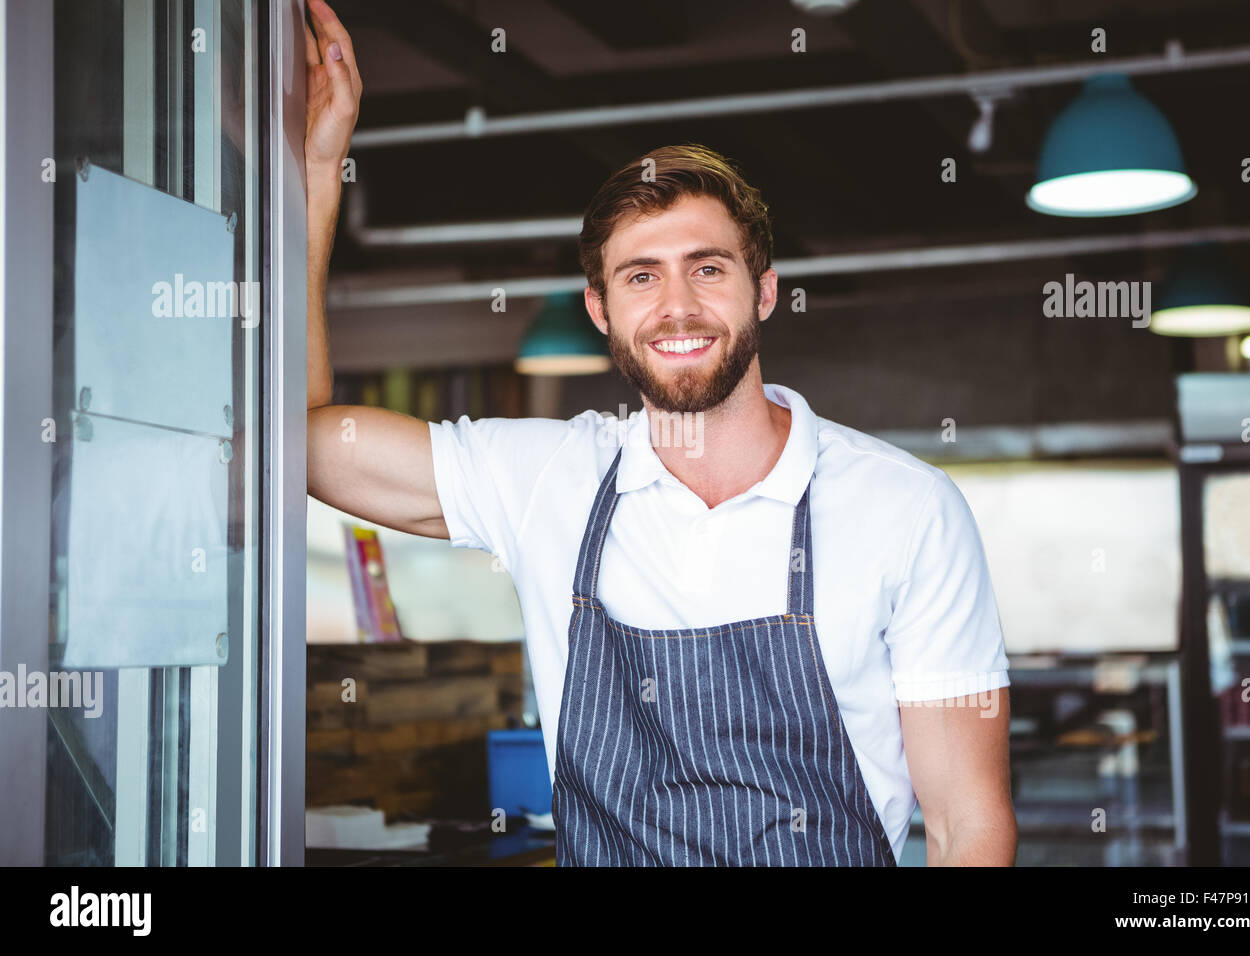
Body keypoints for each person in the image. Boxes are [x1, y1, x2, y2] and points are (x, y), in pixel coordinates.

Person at [302, 0, 1016, 866]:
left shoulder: (905, 509)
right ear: (602, 310)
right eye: (642, 277)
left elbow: (967, 829)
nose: (677, 307)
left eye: (707, 269)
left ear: (763, 292)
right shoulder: (544, 478)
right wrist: (315, 166)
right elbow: (303, 440)